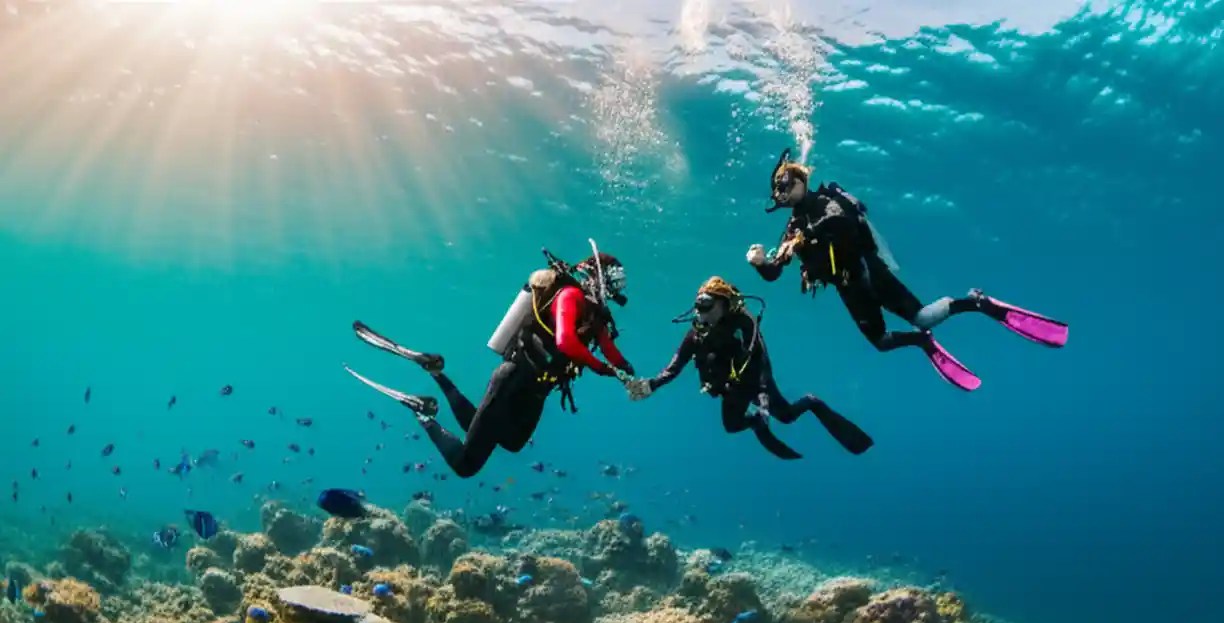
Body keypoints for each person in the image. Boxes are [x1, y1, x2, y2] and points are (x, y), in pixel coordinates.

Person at [746, 148, 1069, 391]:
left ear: (801, 179)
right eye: (776, 189)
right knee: (883, 342)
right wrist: (762, 264)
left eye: (785, 183)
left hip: (868, 271)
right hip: (849, 289)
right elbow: (776, 272)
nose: (781, 192)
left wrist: (809, 234)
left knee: (924, 317)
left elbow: (841, 221)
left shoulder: (823, 201)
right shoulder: (792, 227)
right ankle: (921, 342)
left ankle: (977, 303)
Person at [345, 243, 634, 478]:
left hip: (536, 392)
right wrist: (604, 369)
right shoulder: (570, 296)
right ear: (595, 275)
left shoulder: (595, 316)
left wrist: (633, 375)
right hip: (513, 379)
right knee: (465, 465)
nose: (616, 286)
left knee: (511, 442)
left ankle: (434, 371)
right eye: (612, 278)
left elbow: (610, 350)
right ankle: (423, 412)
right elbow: (565, 342)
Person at [626, 276, 872, 460]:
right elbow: (676, 365)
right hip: (729, 387)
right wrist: (651, 385)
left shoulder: (744, 325)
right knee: (731, 427)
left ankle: (812, 402)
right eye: (698, 306)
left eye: (707, 306)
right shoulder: (697, 334)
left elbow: (761, 363)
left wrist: (763, 401)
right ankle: (756, 421)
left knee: (785, 417)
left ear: (724, 305)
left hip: (755, 380)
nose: (701, 313)